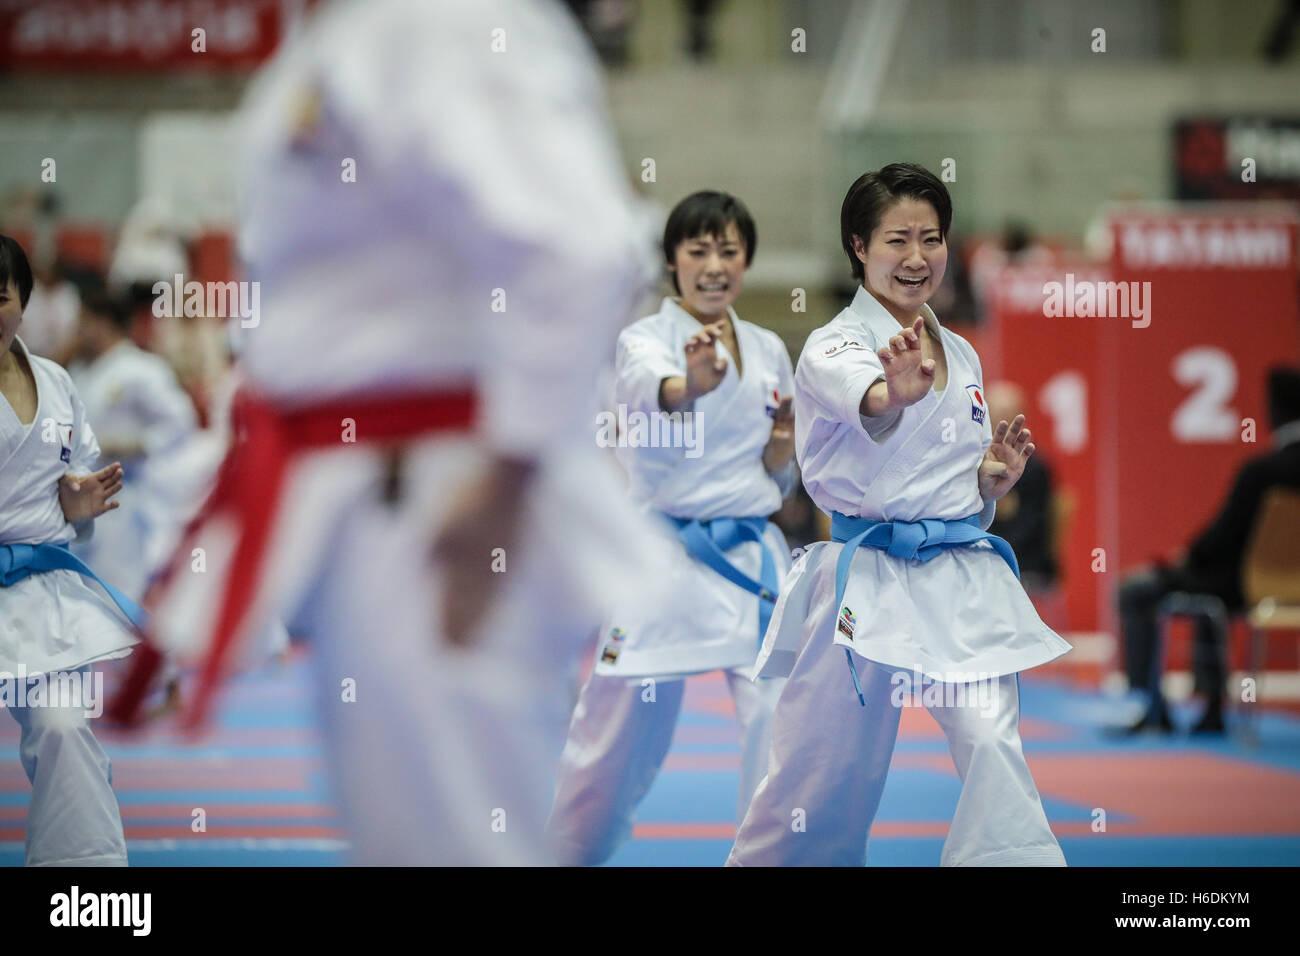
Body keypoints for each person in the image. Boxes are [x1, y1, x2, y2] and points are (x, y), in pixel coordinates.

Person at [108, 0, 671, 866]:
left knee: (457, 843)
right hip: (372, 481)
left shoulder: (439, 20)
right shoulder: (345, 32)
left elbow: (582, 249)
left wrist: (504, 487)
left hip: (443, 495)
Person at [726, 164, 1070, 867]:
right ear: (859, 245)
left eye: (933, 239)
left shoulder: (964, 352)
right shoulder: (836, 344)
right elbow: (875, 404)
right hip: (864, 578)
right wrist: (894, 393)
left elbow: (949, 474)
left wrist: (989, 480)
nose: (918, 259)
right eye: (898, 240)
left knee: (992, 741)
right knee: (823, 775)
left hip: (959, 575)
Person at [546, 191, 796, 866]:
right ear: (673, 262)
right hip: (662, 563)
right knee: (613, 736)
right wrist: (687, 383)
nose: (715, 266)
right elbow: (654, 396)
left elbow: (775, 476)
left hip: (749, 558)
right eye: (699, 250)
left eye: (730, 251)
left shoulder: (770, 348)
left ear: (746, 261)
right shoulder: (643, 342)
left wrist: (782, 447)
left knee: (781, 720)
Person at [0, 234, 137, 865]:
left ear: (22, 302)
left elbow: (75, 476)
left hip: (40, 589)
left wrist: (76, 504)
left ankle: (81, 886)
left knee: (63, 728)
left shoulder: (55, 381)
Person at [1119, 366, 1300, 735]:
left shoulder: (1260, 472)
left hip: (1238, 586)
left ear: (1274, 410)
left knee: (1135, 590)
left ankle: (1155, 709)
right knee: (1205, 590)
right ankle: (1212, 707)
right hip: (1285, 588)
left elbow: (1221, 537)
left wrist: (1185, 557)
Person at [67, 286, 198, 604]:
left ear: (104, 322)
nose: (78, 331)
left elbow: (183, 420)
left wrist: (139, 444)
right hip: (81, 495)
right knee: (82, 592)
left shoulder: (141, 369)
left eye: (83, 321)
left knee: (118, 590)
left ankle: (127, 652)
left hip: (124, 497)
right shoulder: (79, 372)